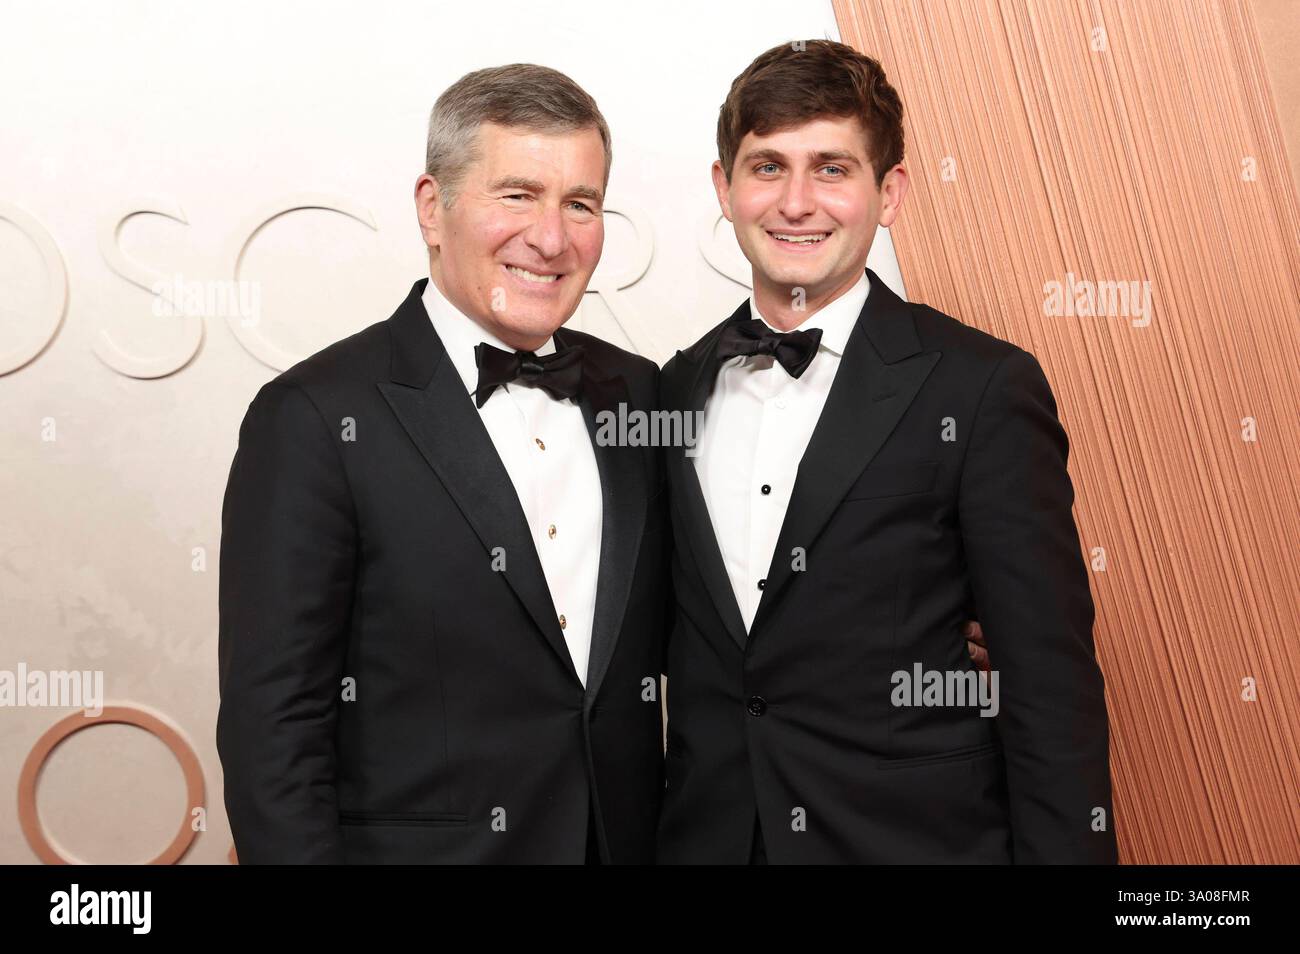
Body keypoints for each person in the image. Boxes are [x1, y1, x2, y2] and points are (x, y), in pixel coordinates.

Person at [656, 40, 1118, 864]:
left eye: (832, 168)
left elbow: (1050, 692)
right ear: (724, 189)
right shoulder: (674, 389)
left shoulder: (981, 388)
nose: (797, 202)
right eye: (768, 167)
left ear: (890, 192)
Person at [217, 64, 667, 864]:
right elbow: (273, 729)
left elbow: (710, 613)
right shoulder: (315, 417)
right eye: (517, 194)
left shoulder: (638, 393)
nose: (551, 238)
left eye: (580, 204)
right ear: (433, 208)